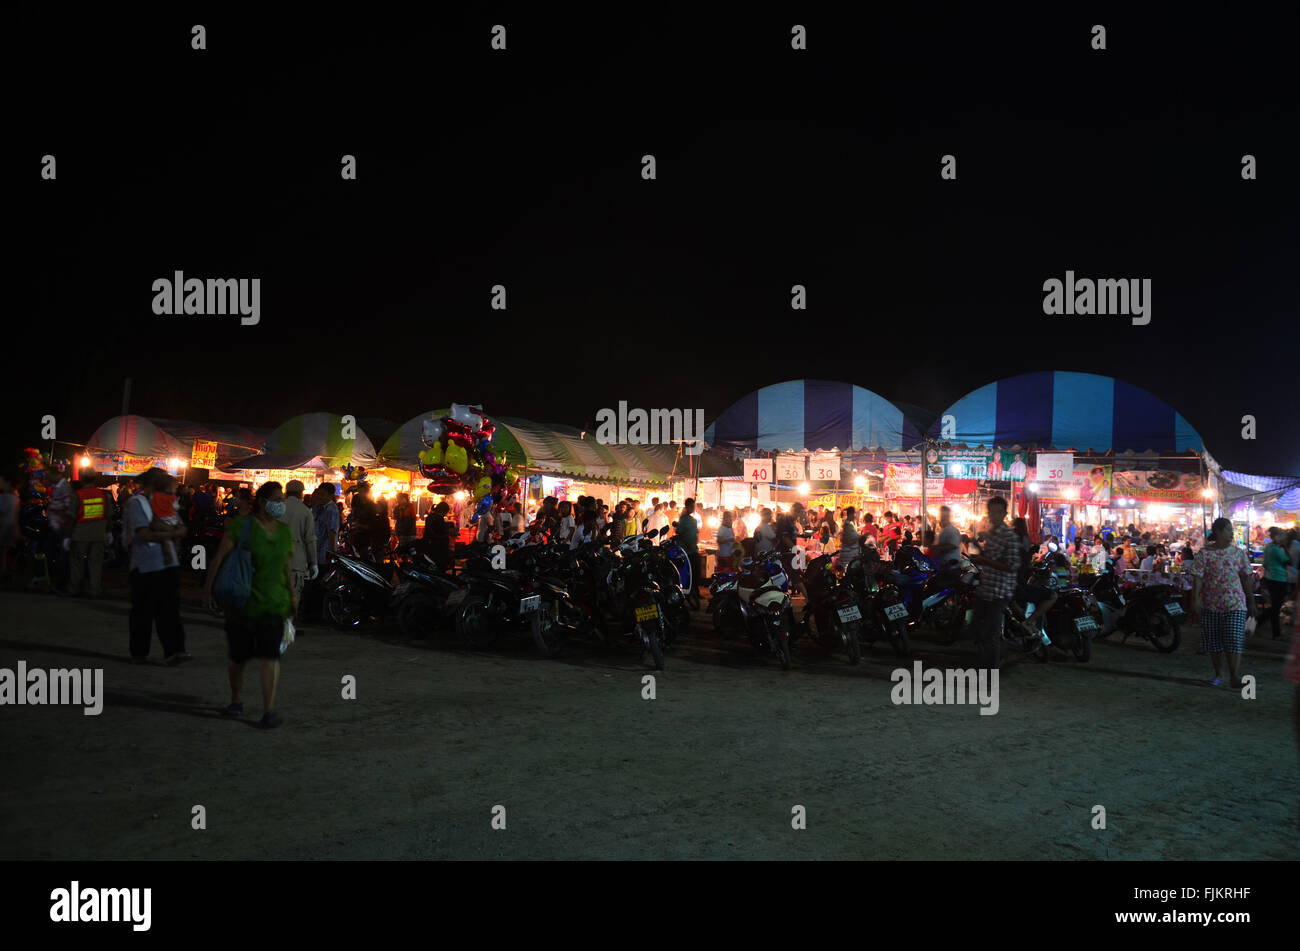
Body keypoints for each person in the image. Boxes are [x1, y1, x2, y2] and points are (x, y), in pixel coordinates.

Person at [203, 481, 294, 729]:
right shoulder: (243, 526)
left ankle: (269, 710)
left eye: (283, 499)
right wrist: (208, 589)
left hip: (274, 604)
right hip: (242, 604)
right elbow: (219, 557)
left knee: (270, 657)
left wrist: (292, 596)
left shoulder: (284, 532)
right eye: (277, 499)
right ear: (263, 502)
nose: (281, 504)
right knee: (238, 657)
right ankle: (236, 699)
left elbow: (287, 566)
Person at [123, 467, 190, 665]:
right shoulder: (137, 503)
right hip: (145, 566)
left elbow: (183, 529)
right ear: (151, 486)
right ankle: (139, 652)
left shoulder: (165, 505)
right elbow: (144, 533)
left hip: (168, 565)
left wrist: (164, 531)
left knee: (169, 610)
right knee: (143, 611)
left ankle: (175, 651)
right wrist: (172, 533)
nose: (170, 493)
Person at [1187, 517, 1256, 688]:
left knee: (1234, 638)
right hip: (1211, 604)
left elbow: (1246, 579)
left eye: (1231, 529)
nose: (1231, 532)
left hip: (1235, 604)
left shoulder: (1238, 554)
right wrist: (1195, 600)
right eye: (1228, 529)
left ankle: (1234, 676)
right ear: (1217, 532)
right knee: (1214, 641)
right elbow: (1198, 580)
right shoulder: (1204, 554)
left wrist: (1251, 601)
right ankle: (1218, 675)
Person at [968, 496, 1021, 672]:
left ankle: (990, 673)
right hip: (986, 589)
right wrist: (980, 558)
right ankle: (992, 659)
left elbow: (1012, 566)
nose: (993, 515)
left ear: (1004, 513)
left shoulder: (1009, 536)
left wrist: (985, 560)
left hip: (1000, 592)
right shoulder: (991, 533)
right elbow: (990, 558)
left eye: (997, 512)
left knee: (990, 634)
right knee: (975, 627)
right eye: (991, 512)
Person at [278, 480, 318, 620]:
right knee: (292, 598)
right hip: (296, 563)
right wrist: (314, 562)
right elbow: (310, 539)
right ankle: (286, 629)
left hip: (275, 560)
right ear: (301, 493)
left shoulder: (278, 508)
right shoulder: (305, 511)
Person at [69, 473, 113, 597]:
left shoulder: (78, 495)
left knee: (77, 563)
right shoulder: (104, 495)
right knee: (96, 564)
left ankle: (75, 588)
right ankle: (94, 589)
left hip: (80, 534)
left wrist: (67, 536)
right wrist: (109, 532)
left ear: (82, 480)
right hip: (98, 534)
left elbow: (71, 518)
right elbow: (109, 516)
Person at [1259, 527, 1292, 640]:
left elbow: (1265, 564)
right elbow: (1289, 561)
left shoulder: (1268, 548)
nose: (1284, 537)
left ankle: (1267, 626)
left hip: (1271, 578)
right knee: (1276, 607)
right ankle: (1273, 631)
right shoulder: (1276, 549)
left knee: (1275, 606)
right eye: (1281, 535)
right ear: (1276, 537)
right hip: (1279, 579)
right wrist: (1284, 547)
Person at [674, 498, 701, 608]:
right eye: (692, 506)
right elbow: (679, 531)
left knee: (695, 573)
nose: (694, 508)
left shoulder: (692, 519)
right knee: (689, 573)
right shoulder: (684, 519)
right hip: (687, 551)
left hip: (693, 549)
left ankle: (695, 592)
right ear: (688, 507)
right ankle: (690, 592)